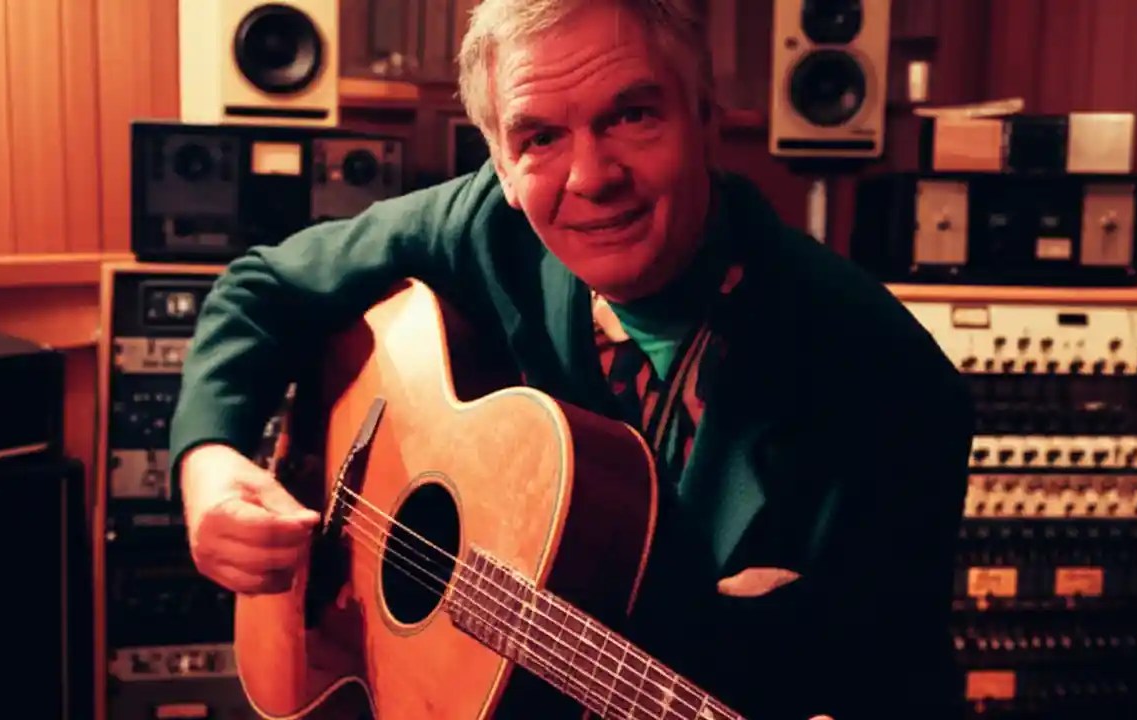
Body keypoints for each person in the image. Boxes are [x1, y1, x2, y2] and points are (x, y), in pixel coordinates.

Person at [170, 0, 976, 718]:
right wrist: (209, 463)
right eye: (540, 137)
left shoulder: (886, 384)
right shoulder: (485, 224)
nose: (590, 177)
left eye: (632, 115)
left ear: (707, 119)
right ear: (501, 165)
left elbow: (895, 683)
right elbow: (261, 288)